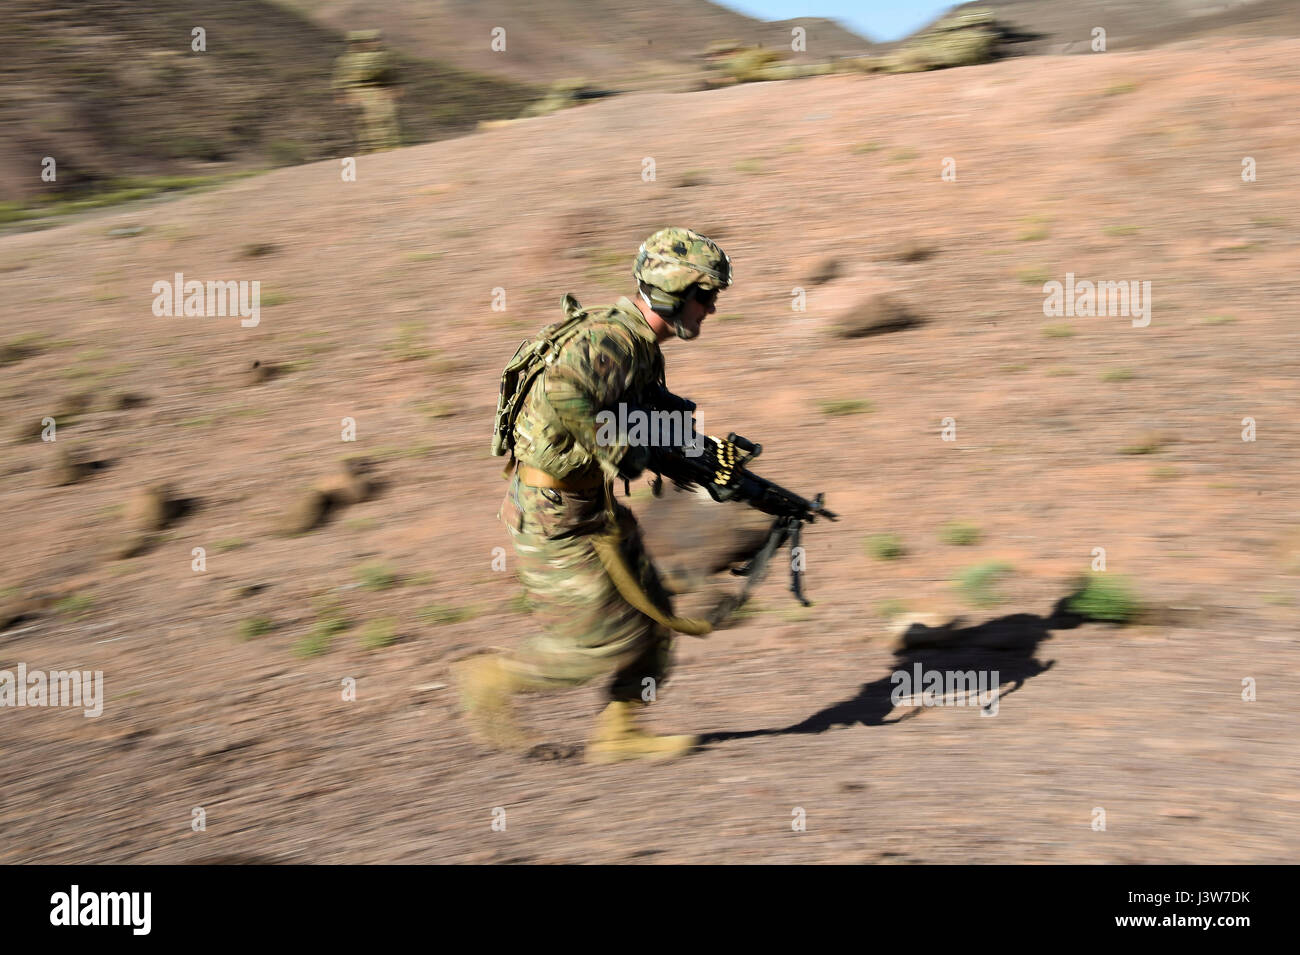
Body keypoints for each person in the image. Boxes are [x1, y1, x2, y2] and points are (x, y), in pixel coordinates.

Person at [454, 227, 732, 763]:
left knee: (652, 615)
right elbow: (563, 391)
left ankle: (618, 733)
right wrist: (619, 448)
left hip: (590, 506)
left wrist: (709, 457)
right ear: (674, 292)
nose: (712, 309)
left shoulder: (638, 346)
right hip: (552, 514)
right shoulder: (610, 340)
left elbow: (646, 419)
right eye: (706, 296)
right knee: (602, 640)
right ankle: (490, 677)